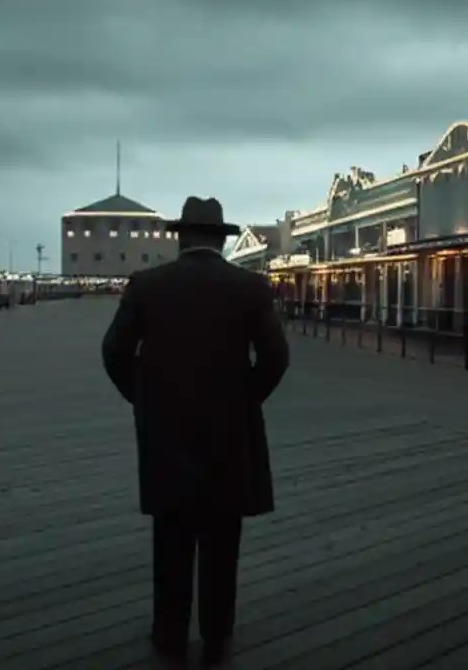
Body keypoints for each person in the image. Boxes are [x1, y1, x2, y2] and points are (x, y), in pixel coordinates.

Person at [102, 196, 290, 666]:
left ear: (181, 236)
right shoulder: (250, 287)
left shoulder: (147, 286)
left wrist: (142, 397)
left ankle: (169, 632)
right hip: (229, 434)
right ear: (220, 240)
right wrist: (246, 398)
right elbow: (276, 357)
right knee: (222, 539)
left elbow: (114, 352)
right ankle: (217, 633)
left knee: (172, 536)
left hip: (167, 432)